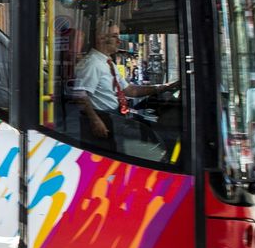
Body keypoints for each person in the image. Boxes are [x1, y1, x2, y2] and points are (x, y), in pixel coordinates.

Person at [73, 21, 178, 151]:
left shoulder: (107, 62)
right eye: (115, 36)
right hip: (102, 118)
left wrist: (162, 87)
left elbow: (130, 90)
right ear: (101, 38)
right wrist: (95, 120)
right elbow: (80, 94)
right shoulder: (91, 63)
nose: (119, 41)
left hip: (112, 117)